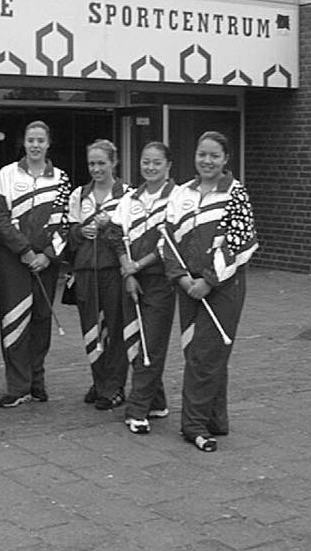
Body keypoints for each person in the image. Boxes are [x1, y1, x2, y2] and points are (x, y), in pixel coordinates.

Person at [160, 131, 258, 452]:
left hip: (224, 287)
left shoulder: (235, 193)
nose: (207, 161)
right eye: (203, 154)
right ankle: (216, 417)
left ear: (226, 159)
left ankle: (194, 425)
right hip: (188, 287)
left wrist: (209, 280)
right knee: (197, 352)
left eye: (215, 155)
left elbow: (239, 243)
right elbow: (168, 237)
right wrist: (183, 279)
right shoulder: (182, 193)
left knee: (209, 352)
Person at [0, 120, 72, 408]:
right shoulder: (6, 174)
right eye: (30, 139)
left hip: (45, 263)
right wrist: (24, 250)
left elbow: (65, 223)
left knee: (40, 319)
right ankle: (17, 386)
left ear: (48, 143)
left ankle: (37, 380)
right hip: (13, 260)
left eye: (40, 140)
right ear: (23, 143)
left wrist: (47, 256)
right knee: (14, 320)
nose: (35, 145)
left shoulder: (61, 178)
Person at [113, 141, 177, 434]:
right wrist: (127, 270)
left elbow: (171, 243)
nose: (150, 168)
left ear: (168, 166)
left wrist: (138, 266)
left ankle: (137, 409)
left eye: (156, 163)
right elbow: (116, 234)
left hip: (161, 281)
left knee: (151, 343)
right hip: (131, 278)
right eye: (145, 162)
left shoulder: (177, 198)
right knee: (134, 341)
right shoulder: (129, 198)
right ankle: (157, 401)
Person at [65, 140, 130, 411]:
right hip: (85, 270)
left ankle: (114, 387)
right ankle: (100, 380)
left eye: (102, 163)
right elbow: (67, 236)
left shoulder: (128, 194)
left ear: (113, 163)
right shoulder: (79, 195)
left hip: (113, 271)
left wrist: (110, 227)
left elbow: (131, 235)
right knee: (91, 329)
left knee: (114, 329)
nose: (96, 168)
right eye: (92, 163)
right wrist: (81, 232)